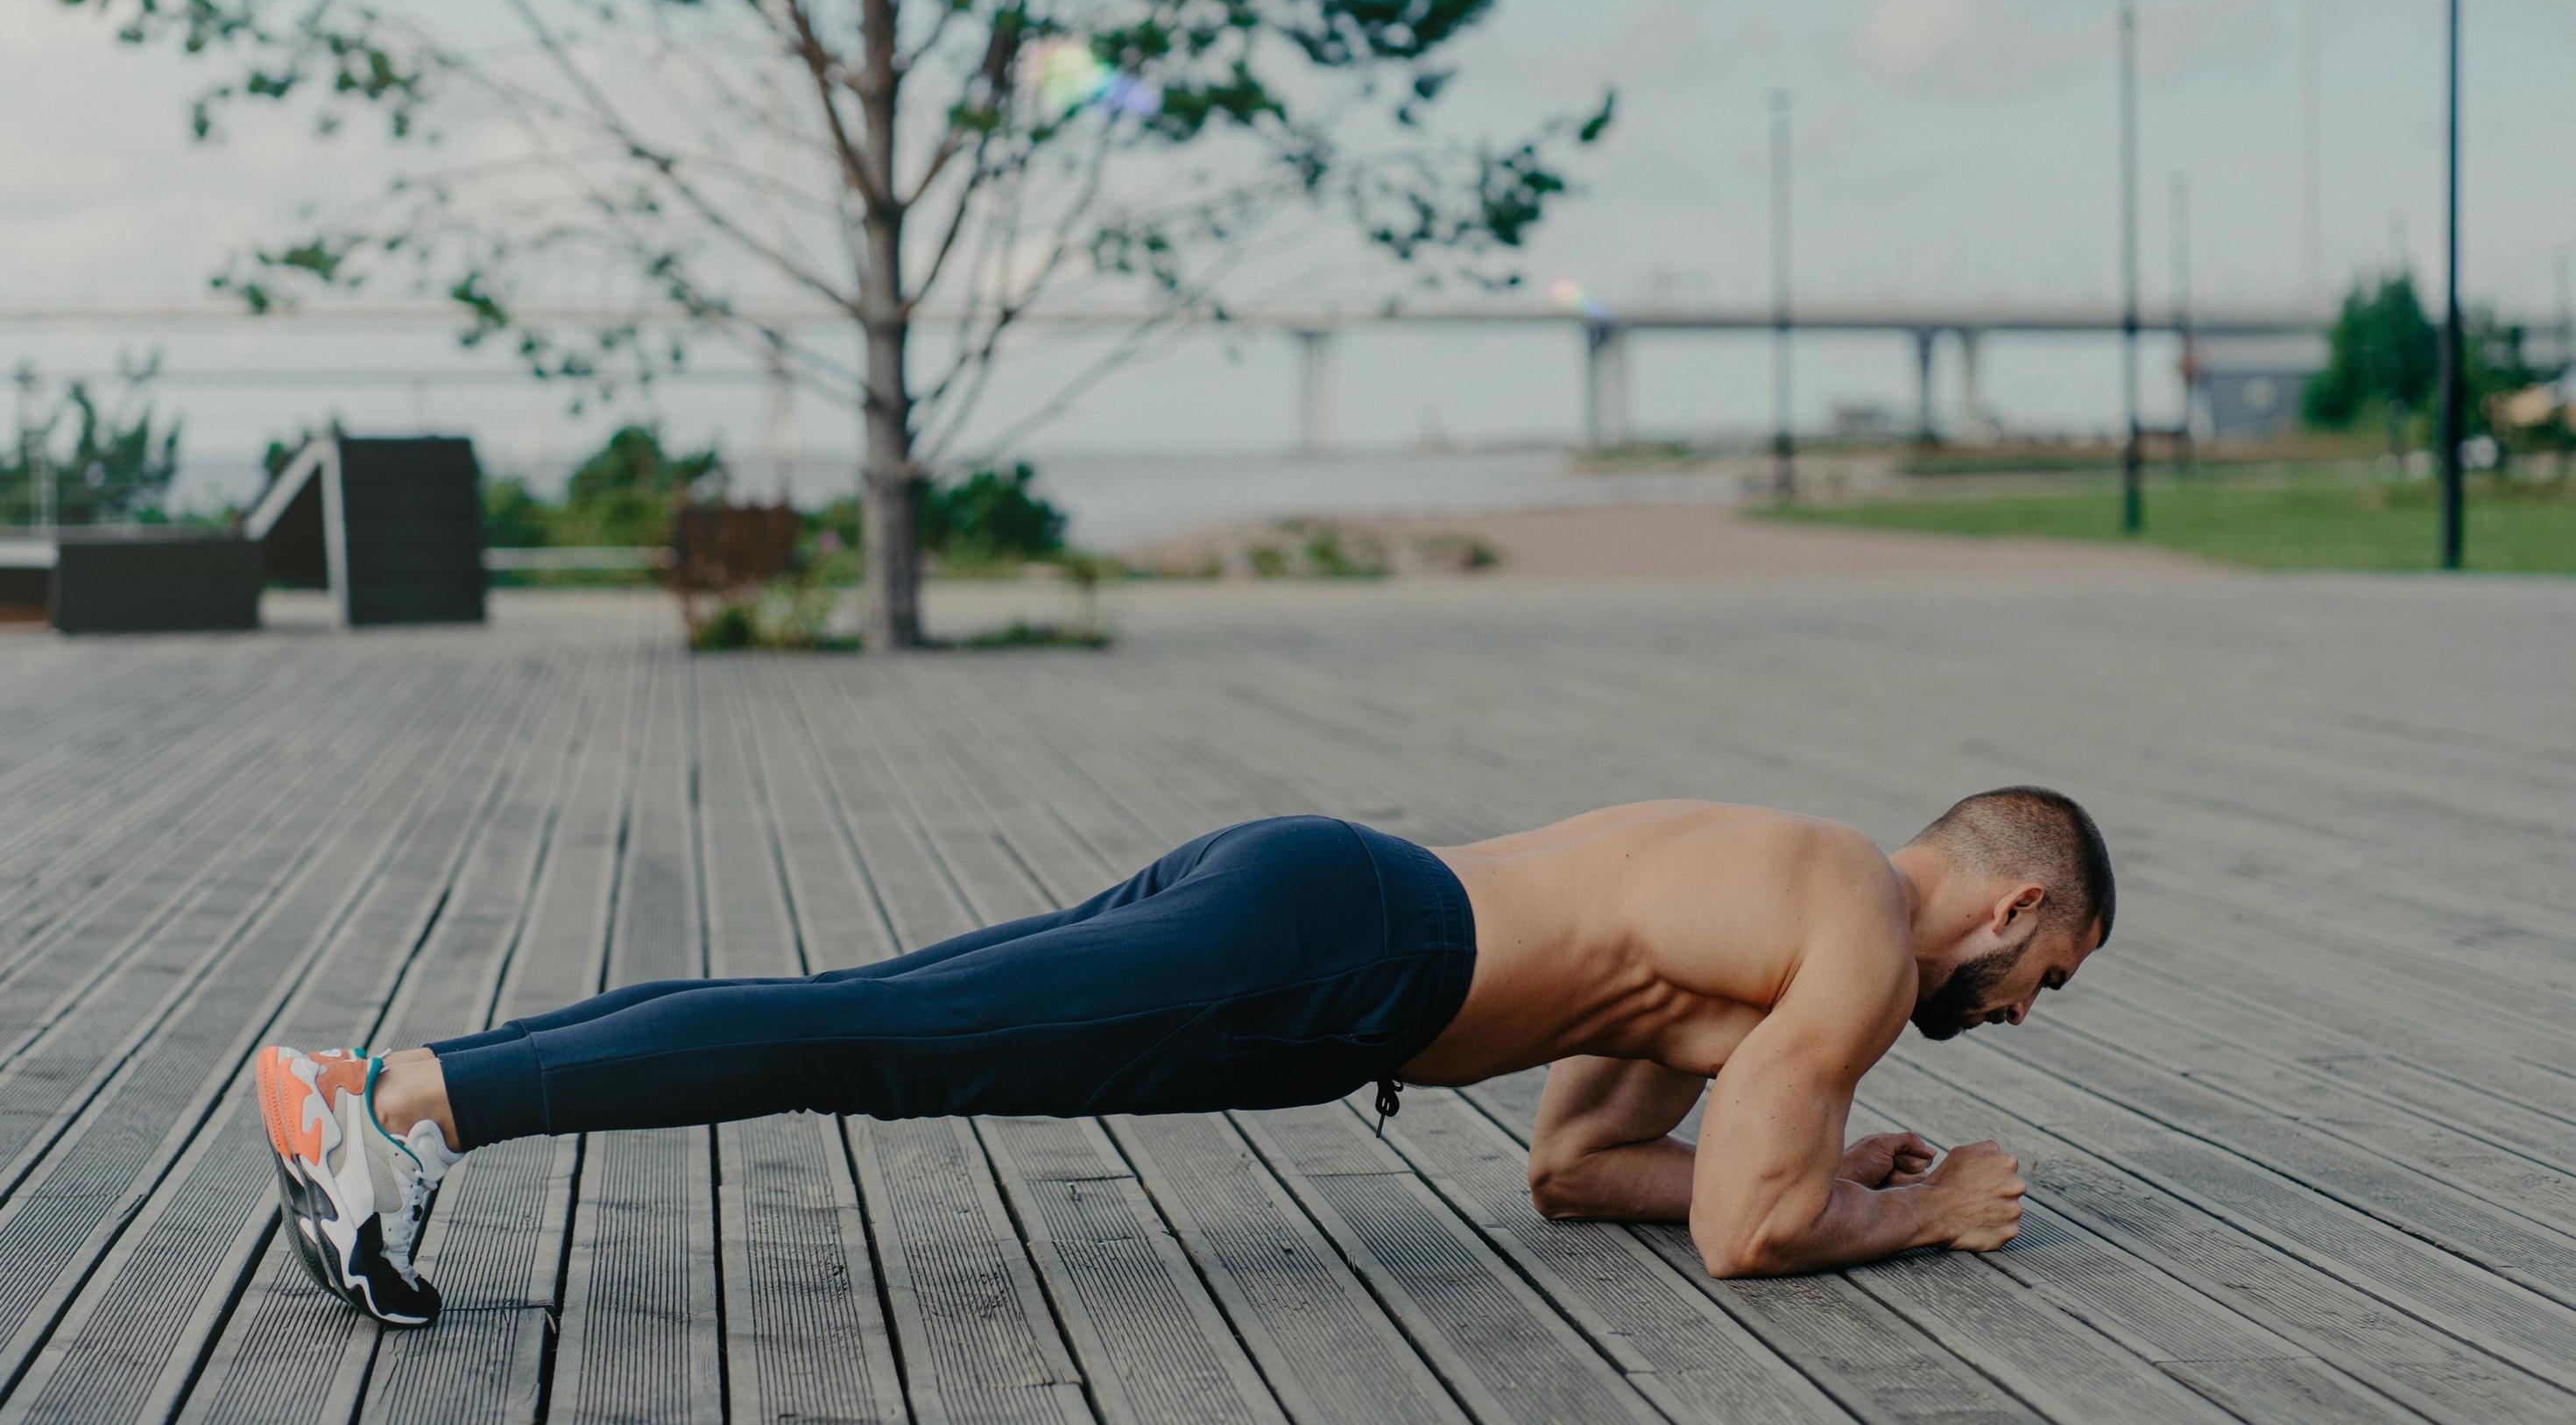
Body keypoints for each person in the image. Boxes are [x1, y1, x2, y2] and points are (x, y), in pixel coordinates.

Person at [256, 785, 2112, 1325]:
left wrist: (1813, 1174)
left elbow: (1572, 1173)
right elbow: (1742, 1235)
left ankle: (391, 1084)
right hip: (1334, 958)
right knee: (874, 1036)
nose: (2028, 1015)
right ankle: (398, 1101)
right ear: (2016, 907)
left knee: (859, 1009)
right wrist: (1924, 1209)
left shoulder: (1789, 904)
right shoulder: (1863, 943)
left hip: (1317, 888)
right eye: (2054, 974)